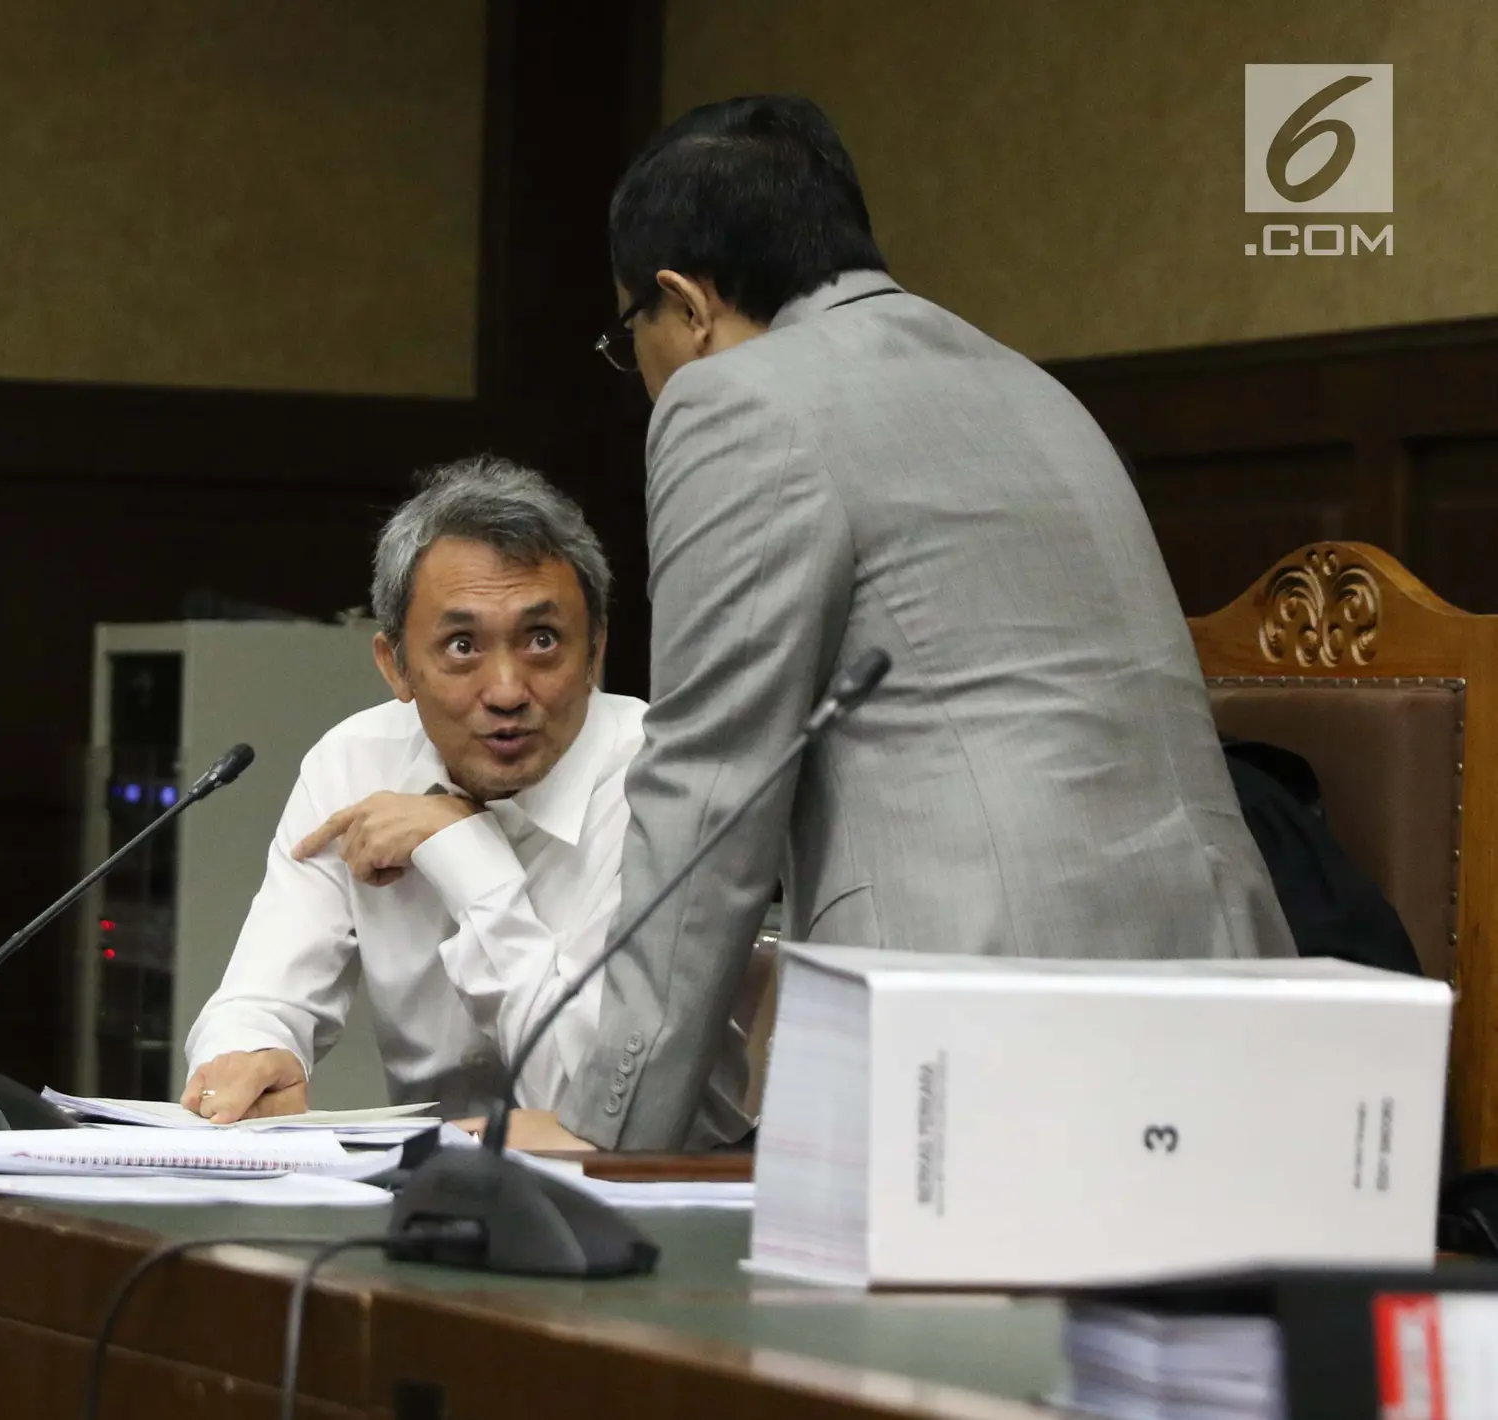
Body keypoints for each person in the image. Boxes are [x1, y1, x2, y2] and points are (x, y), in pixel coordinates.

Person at [565, 96, 1296, 1151]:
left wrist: (603, 1149)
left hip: (975, 1024)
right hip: (1226, 986)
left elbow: (708, 796)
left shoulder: (732, 402)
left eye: (624, 330)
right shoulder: (1031, 384)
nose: (636, 368)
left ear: (681, 303)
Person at [179, 458, 753, 1133]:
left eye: (542, 641)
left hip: (663, 1198)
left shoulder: (662, 781)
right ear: (396, 667)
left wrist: (468, 857)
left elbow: (603, 1115)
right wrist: (249, 1055)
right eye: (461, 646)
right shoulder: (357, 762)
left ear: (596, 651)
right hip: (436, 1199)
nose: (507, 690)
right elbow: (262, 995)